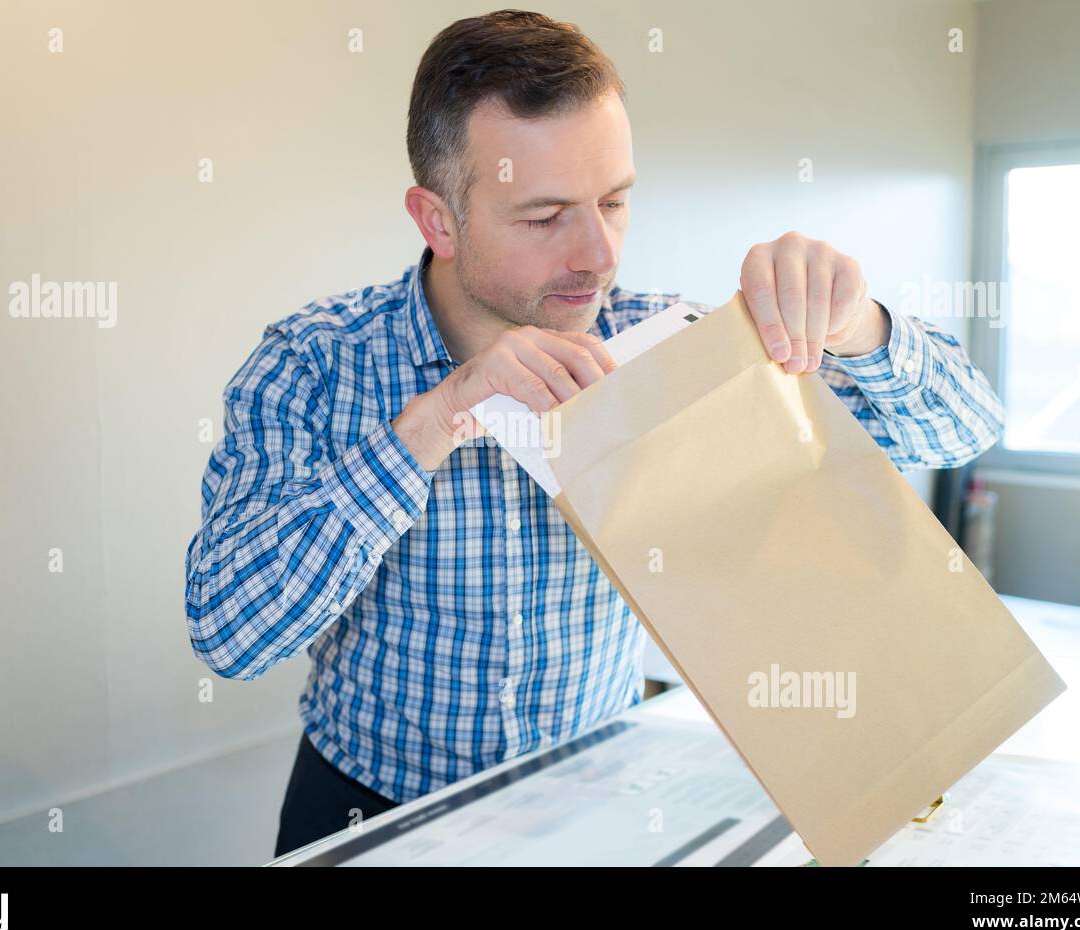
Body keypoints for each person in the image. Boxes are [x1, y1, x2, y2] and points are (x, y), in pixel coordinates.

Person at [182, 10, 1006, 859]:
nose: (597, 253)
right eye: (544, 217)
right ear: (437, 220)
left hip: (592, 805)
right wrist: (432, 421)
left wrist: (859, 323)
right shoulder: (314, 363)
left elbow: (966, 428)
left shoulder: (668, 350)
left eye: (614, 201)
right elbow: (230, 634)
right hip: (365, 808)